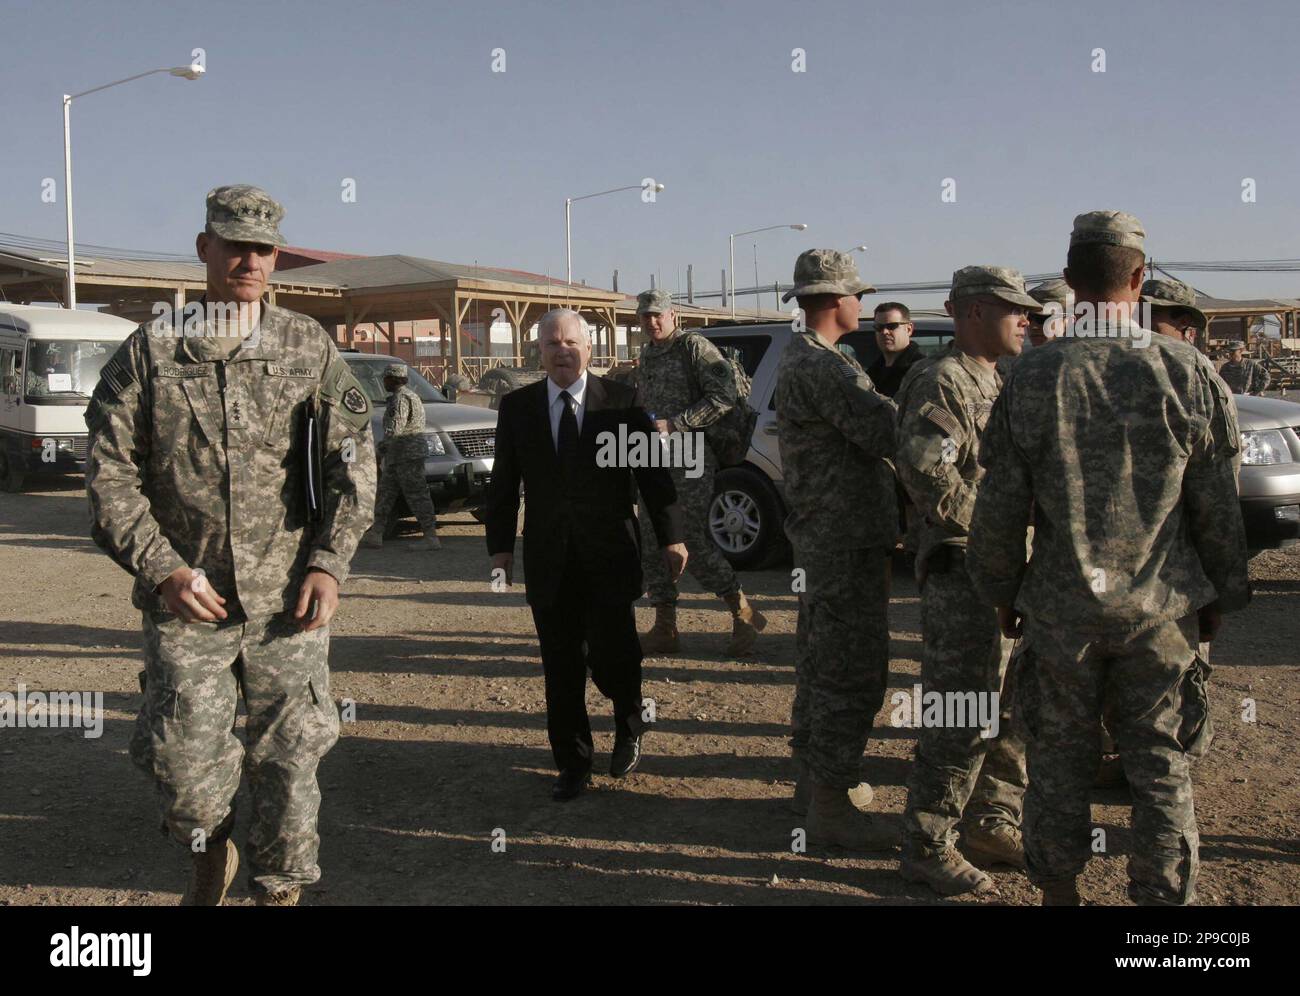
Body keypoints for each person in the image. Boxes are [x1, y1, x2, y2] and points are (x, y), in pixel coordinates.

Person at [84, 184, 377, 906]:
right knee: (181, 763)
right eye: (234, 244)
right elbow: (109, 472)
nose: (248, 259)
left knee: (290, 760)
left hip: (288, 604)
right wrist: (162, 569)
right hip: (192, 601)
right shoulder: (152, 349)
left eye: (262, 248)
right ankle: (210, 852)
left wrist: (328, 564)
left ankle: (279, 891)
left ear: (275, 257)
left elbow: (353, 462)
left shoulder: (307, 345)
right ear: (204, 249)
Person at [967, 210, 1250, 906]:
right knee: (1159, 768)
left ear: (1067, 279)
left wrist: (1002, 591)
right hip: (1163, 612)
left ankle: (1059, 893)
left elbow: (999, 504)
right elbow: (1217, 502)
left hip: (1063, 613)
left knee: (1058, 765)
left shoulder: (1032, 378)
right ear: (1139, 277)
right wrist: (1222, 593)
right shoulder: (1188, 372)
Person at [484, 308, 687, 801]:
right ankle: (573, 764)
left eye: (570, 342)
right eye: (551, 343)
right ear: (539, 351)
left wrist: (670, 536)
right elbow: (505, 482)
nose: (561, 351)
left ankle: (630, 718)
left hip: (609, 553)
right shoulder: (519, 407)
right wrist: (500, 550)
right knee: (561, 664)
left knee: (615, 657)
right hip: (550, 558)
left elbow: (653, 477)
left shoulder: (619, 402)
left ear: (589, 349)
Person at [893, 266, 1033, 896]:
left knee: (1004, 708)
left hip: (1000, 570)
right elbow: (928, 476)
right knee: (961, 711)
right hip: (966, 571)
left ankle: (989, 822)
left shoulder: (990, 377)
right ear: (975, 313)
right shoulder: (942, 378)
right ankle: (928, 843)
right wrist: (1000, 534)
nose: (1026, 319)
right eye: (1014, 309)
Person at [775, 249, 897, 849]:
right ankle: (831, 800)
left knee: (821, 661)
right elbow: (885, 430)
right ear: (832, 301)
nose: (862, 304)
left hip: (827, 536)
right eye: (855, 295)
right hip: (844, 539)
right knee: (851, 668)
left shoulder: (813, 358)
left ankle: (813, 782)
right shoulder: (824, 367)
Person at [634, 288, 766, 657]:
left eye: (658, 314)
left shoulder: (694, 347)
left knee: (689, 537)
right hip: (652, 456)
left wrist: (676, 424)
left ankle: (743, 613)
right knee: (651, 536)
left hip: (690, 454)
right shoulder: (647, 354)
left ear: (673, 314)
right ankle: (665, 626)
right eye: (646, 316)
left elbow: (723, 397)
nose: (652, 321)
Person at [362, 362, 441, 550]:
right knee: (385, 495)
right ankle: (376, 533)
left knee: (417, 496)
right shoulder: (407, 396)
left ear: (393, 379)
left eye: (386, 379)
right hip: (398, 457)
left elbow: (395, 429)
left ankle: (431, 537)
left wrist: (379, 451)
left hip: (407, 456)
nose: (384, 383)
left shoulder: (401, 399)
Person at [866, 301, 925, 398]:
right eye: (879, 327)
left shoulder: (922, 371)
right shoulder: (872, 372)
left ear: (909, 329)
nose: (885, 332)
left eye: (892, 326)